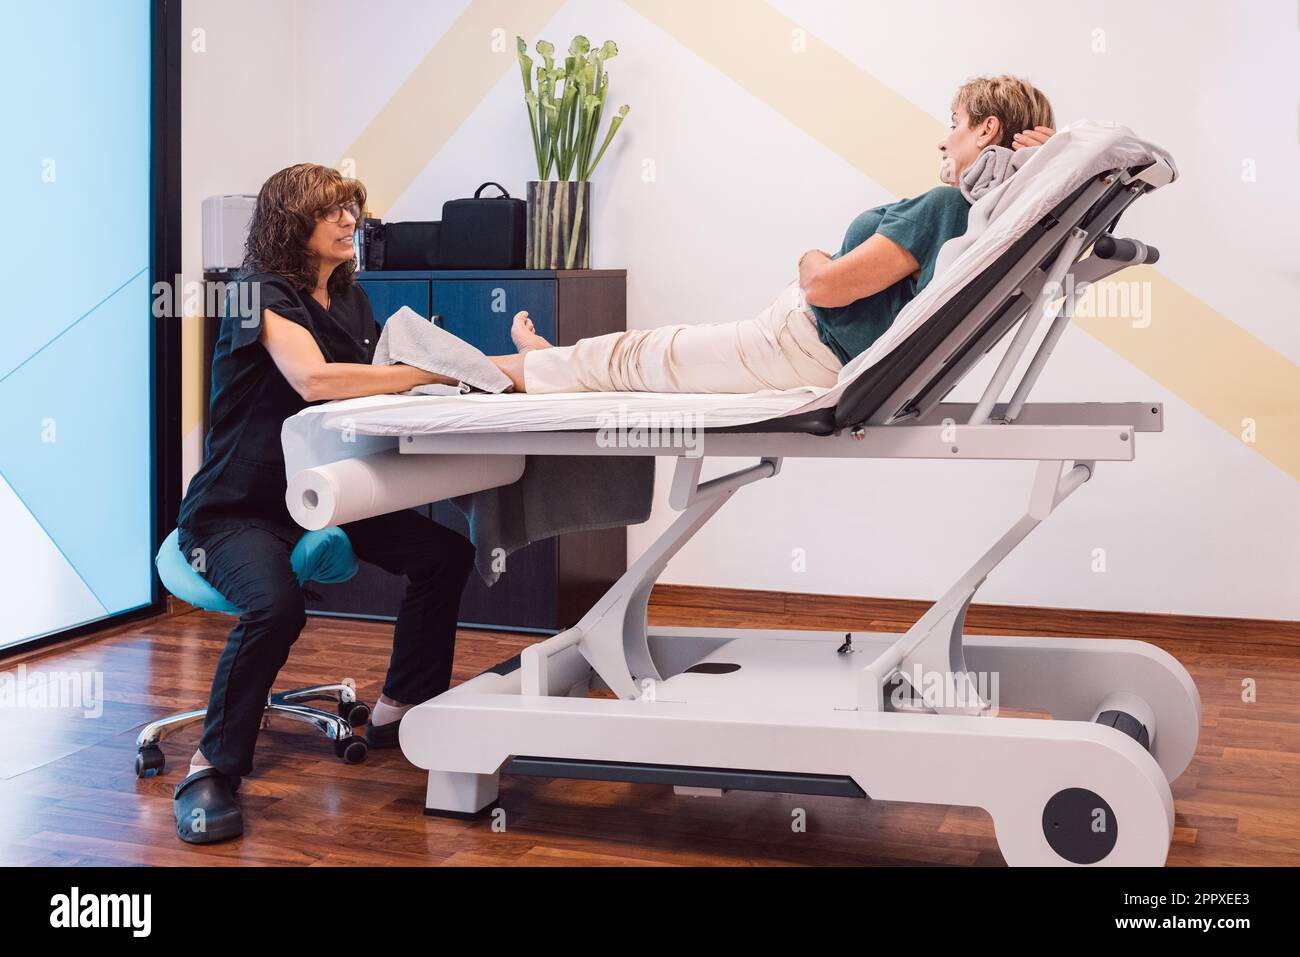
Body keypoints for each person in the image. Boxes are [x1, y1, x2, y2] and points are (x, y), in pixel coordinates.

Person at [172, 163, 474, 844]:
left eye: (352, 207)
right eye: (332, 209)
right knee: (276, 606)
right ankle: (209, 767)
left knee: (445, 553)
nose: (350, 220)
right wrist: (422, 373)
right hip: (237, 507)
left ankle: (400, 706)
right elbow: (313, 380)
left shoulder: (352, 300)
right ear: (290, 222)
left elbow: (362, 393)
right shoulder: (252, 291)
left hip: (322, 491)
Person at [488, 75, 1055, 394]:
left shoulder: (946, 206)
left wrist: (811, 257)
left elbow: (825, 288)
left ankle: (467, 372)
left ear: (987, 129)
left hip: (804, 343)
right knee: (641, 352)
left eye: (953, 124)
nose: (942, 141)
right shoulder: (987, 220)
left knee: (633, 359)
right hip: (802, 344)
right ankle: (550, 360)